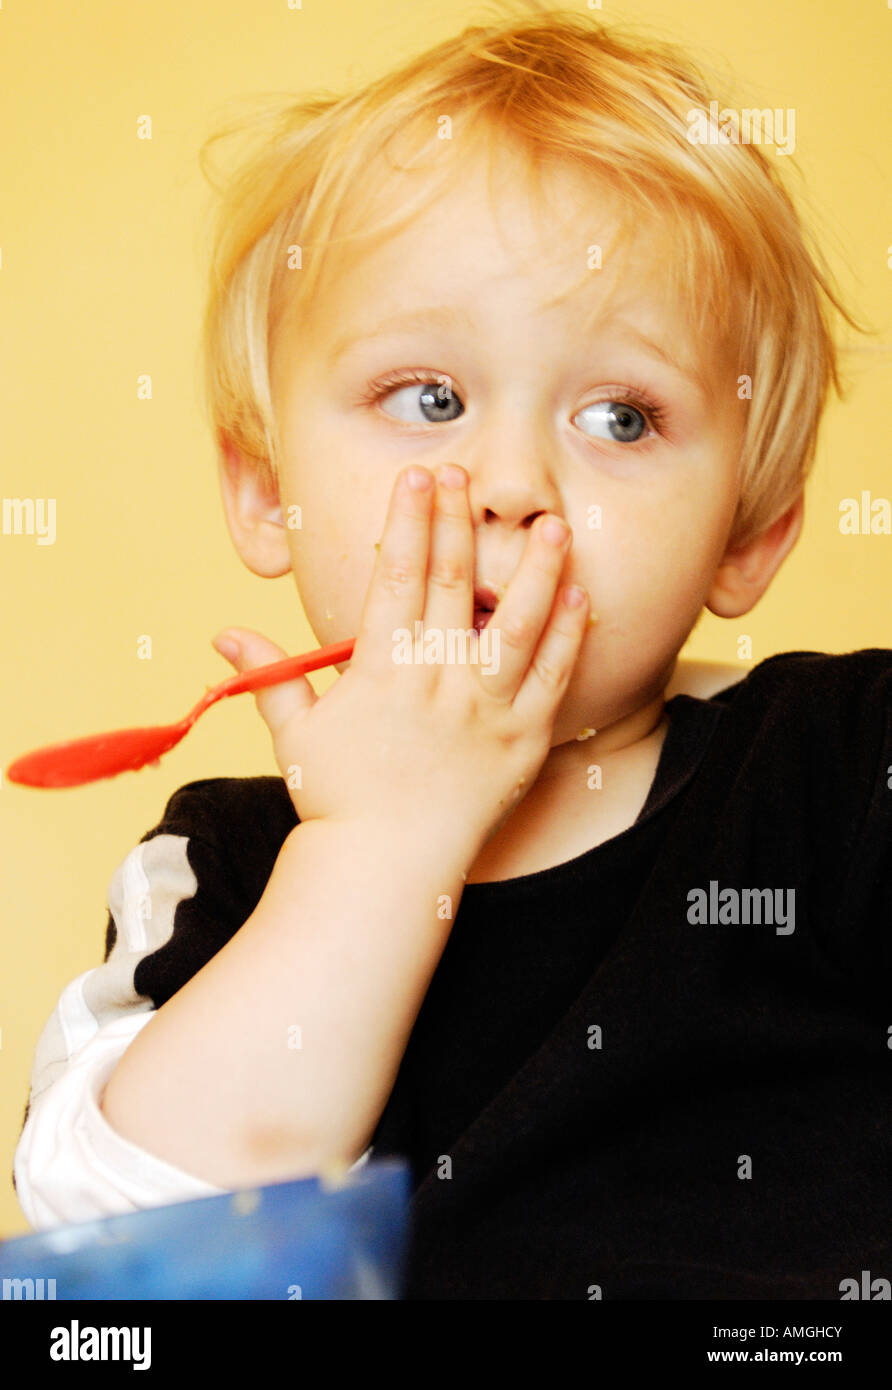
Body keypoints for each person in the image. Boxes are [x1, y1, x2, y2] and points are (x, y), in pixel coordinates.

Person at [13, 8, 891, 1299]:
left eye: (621, 416)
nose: (508, 482)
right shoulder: (223, 865)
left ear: (748, 533)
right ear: (265, 490)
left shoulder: (833, 766)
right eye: (430, 398)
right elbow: (126, 1250)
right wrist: (381, 845)